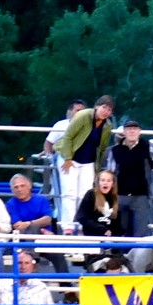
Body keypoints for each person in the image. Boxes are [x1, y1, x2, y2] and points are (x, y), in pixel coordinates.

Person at [51, 96, 115, 227]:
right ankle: (68, 226)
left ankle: (82, 225)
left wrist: (97, 168)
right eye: (104, 107)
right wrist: (67, 158)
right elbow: (68, 136)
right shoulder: (83, 115)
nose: (106, 111)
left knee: (85, 194)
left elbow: (102, 148)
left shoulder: (107, 125)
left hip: (88, 161)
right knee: (69, 193)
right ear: (96, 106)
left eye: (109, 110)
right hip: (70, 158)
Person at [104, 119, 153, 239]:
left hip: (141, 196)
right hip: (119, 196)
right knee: (118, 231)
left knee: (140, 233)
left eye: (135, 129)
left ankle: (137, 251)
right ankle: (118, 251)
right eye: (129, 129)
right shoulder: (115, 151)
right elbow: (109, 175)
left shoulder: (148, 146)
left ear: (139, 131)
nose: (132, 131)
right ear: (124, 132)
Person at [4, 174, 62, 272]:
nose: (19, 189)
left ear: (29, 186)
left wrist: (29, 223)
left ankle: (66, 280)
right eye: (16, 187)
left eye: (22, 186)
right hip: (22, 241)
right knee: (30, 230)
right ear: (12, 190)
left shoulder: (42, 200)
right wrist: (37, 225)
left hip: (43, 239)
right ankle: (32, 261)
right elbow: (18, 226)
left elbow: (48, 219)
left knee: (58, 254)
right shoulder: (11, 204)